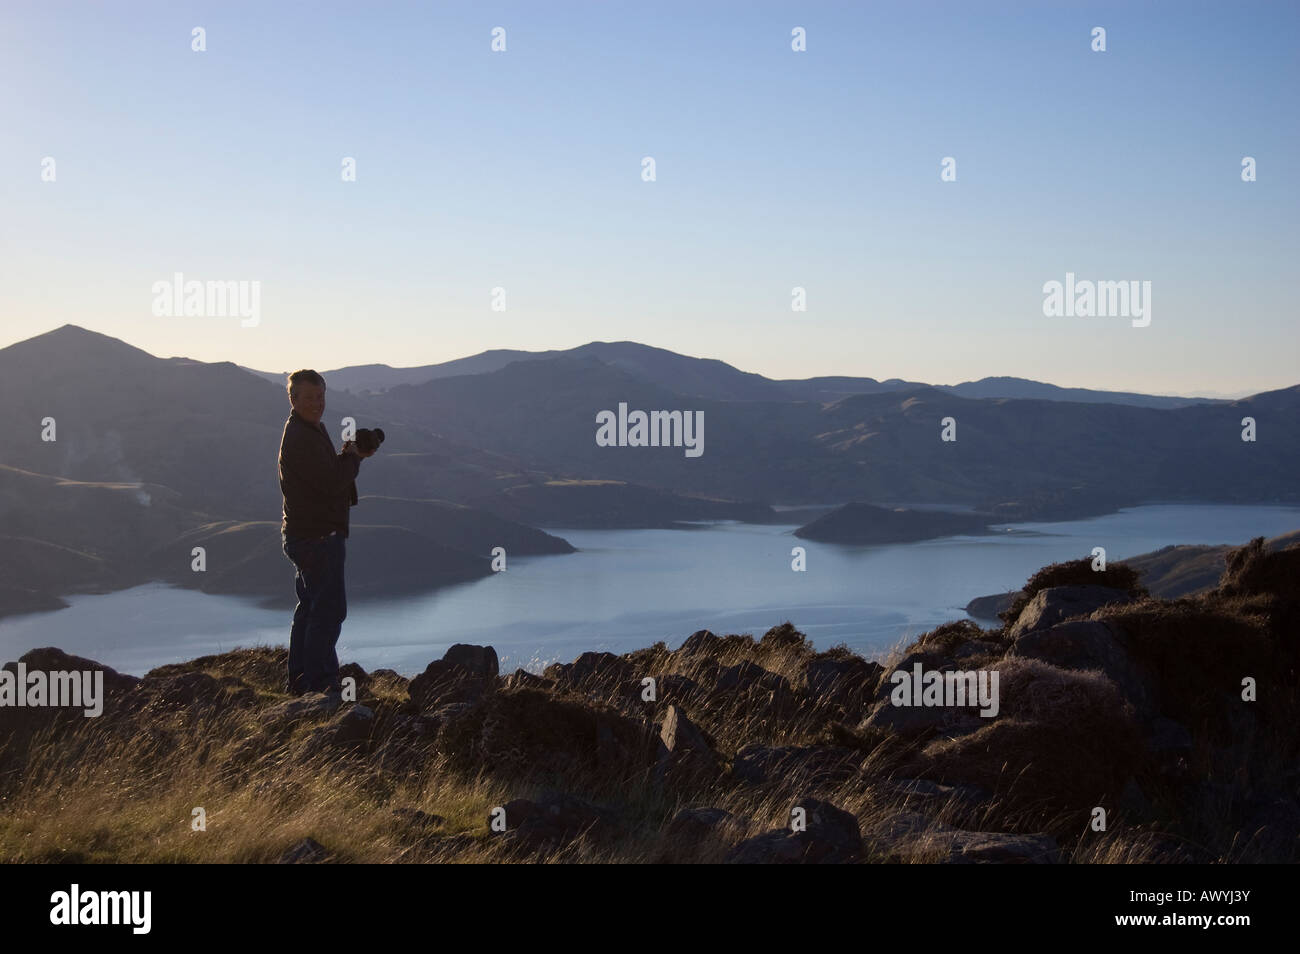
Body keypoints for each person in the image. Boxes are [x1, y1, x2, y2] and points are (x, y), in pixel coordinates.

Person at [277, 369, 374, 695]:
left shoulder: (307, 429)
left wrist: (347, 456)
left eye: (320, 396)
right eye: (309, 397)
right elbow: (333, 484)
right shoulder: (302, 437)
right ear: (293, 399)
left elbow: (325, 475)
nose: (317, 403)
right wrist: (355, 457)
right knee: (329, 611)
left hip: (305, 535)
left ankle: (302, 679)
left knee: (310, 609)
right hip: (317, 538)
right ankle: (320, 685)